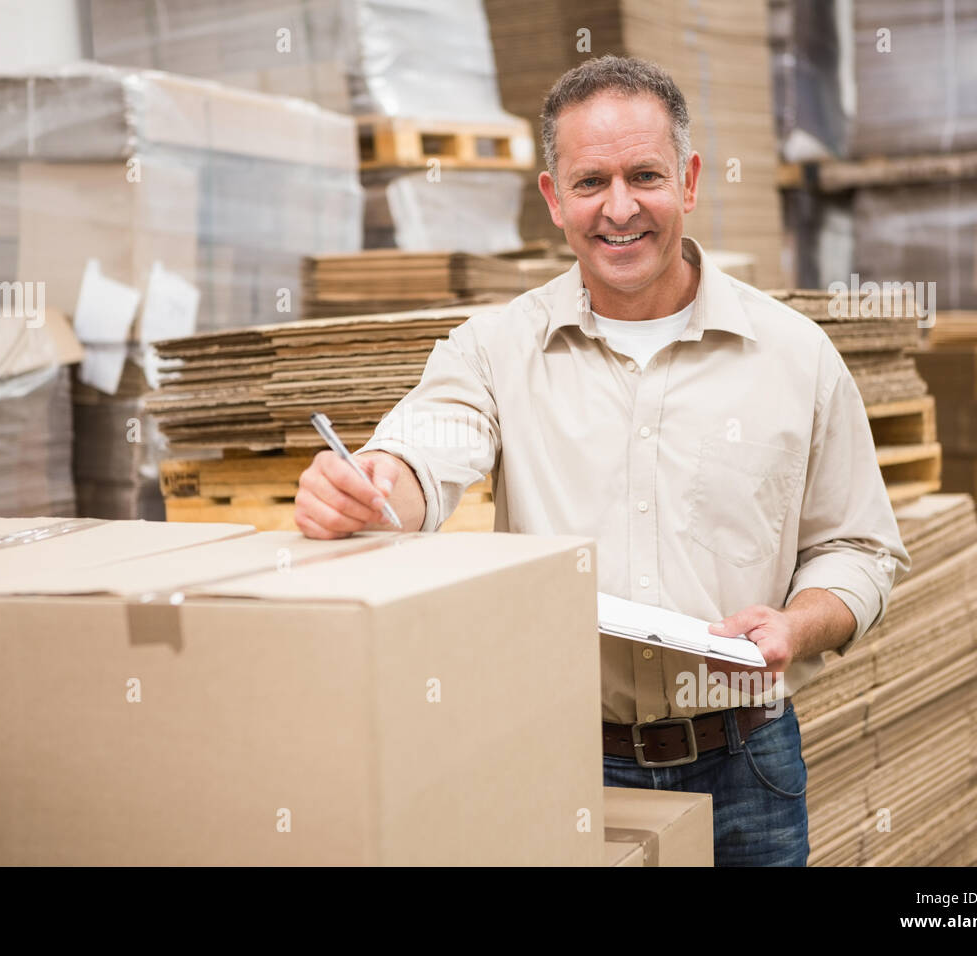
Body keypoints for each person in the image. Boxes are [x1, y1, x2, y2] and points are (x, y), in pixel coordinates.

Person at [293, 54, 910, 866]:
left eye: (645, 176)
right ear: (554, 199)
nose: (620, 209)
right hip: (564, 760)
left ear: (689, 180)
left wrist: (799, 621)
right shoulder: (495, 350)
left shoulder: (796, 356)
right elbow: (428, 447)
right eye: (590, 183)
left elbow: (859, 547)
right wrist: (372, 488)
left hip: (748, 768)